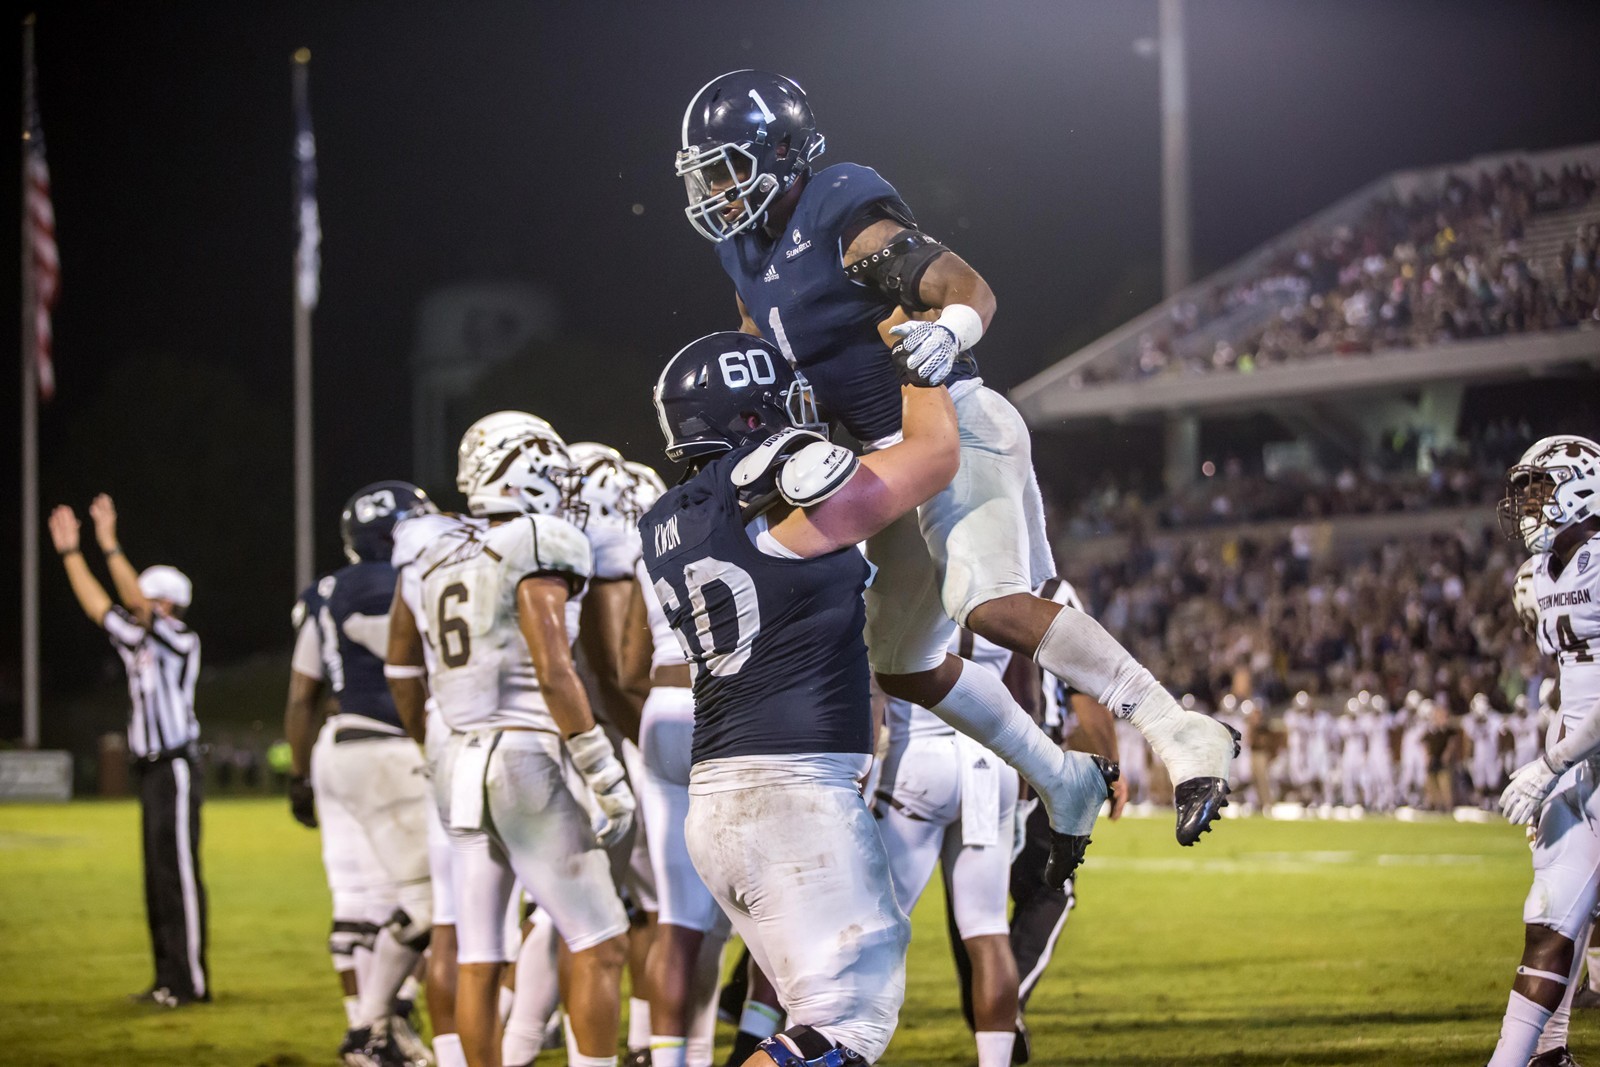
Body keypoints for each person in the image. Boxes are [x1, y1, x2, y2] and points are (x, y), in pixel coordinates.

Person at [673, 70, 1236, 847]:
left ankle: (1179, 731)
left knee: (987, 601)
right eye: (707, 173)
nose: (717, 190)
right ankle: (1061, 777)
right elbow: (757, 347)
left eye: (729, 167)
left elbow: (966, 287)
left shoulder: (839, 208)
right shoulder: (742, 253)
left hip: (954, 420)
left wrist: (950, 329)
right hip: (886, 458)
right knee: (901, 658)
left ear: (781, 153)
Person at [641, 332, 1114, 1067]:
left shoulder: (669, 521)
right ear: (750, 417)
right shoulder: (788, 515)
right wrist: (925, 361)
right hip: (791, 792)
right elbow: (932, 457)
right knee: (848, 1022)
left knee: (814, 1012)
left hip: (722, 795)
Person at [389, 413, 636, 1067]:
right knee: (602, 938)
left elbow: (409, 662)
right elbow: (553, 664)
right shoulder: (538, 540)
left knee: (479, 953)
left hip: (455, 759)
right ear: (522, 470)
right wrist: (601, 767)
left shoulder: (438, 550)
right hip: (521, 754)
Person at [285, 481, 439, 1067]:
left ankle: (371, 1024)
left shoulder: (324, 592)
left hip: (338, 752)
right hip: (393, 752)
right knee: (433, 904)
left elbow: (302, 695)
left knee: (358, 898)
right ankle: (378, 1023)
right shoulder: (409, 580)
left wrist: (298, 777)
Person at [49, 494, 208, 1007]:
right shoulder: (140, 644)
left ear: (169, 606)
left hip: (178, 767)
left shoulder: (179, 639)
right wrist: (72, 554)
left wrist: (110, 544)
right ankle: (166, 980)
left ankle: (190, 982)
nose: (143, 604)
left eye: (151, 600)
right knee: (155, 879)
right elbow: (100, 608)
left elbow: (132, 606)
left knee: (177, 876)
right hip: (150, 770)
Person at [1487, 435, 1600, 1067]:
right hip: (1578, 772)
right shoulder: (1546, 572)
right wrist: (1552, 767)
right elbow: (1570, 692)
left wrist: (1550, 765)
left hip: (1579, 765)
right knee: (1549, 924)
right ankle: (1535, 1057)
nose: (1528, 505)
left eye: (1540, 489)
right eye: (1526, 492)